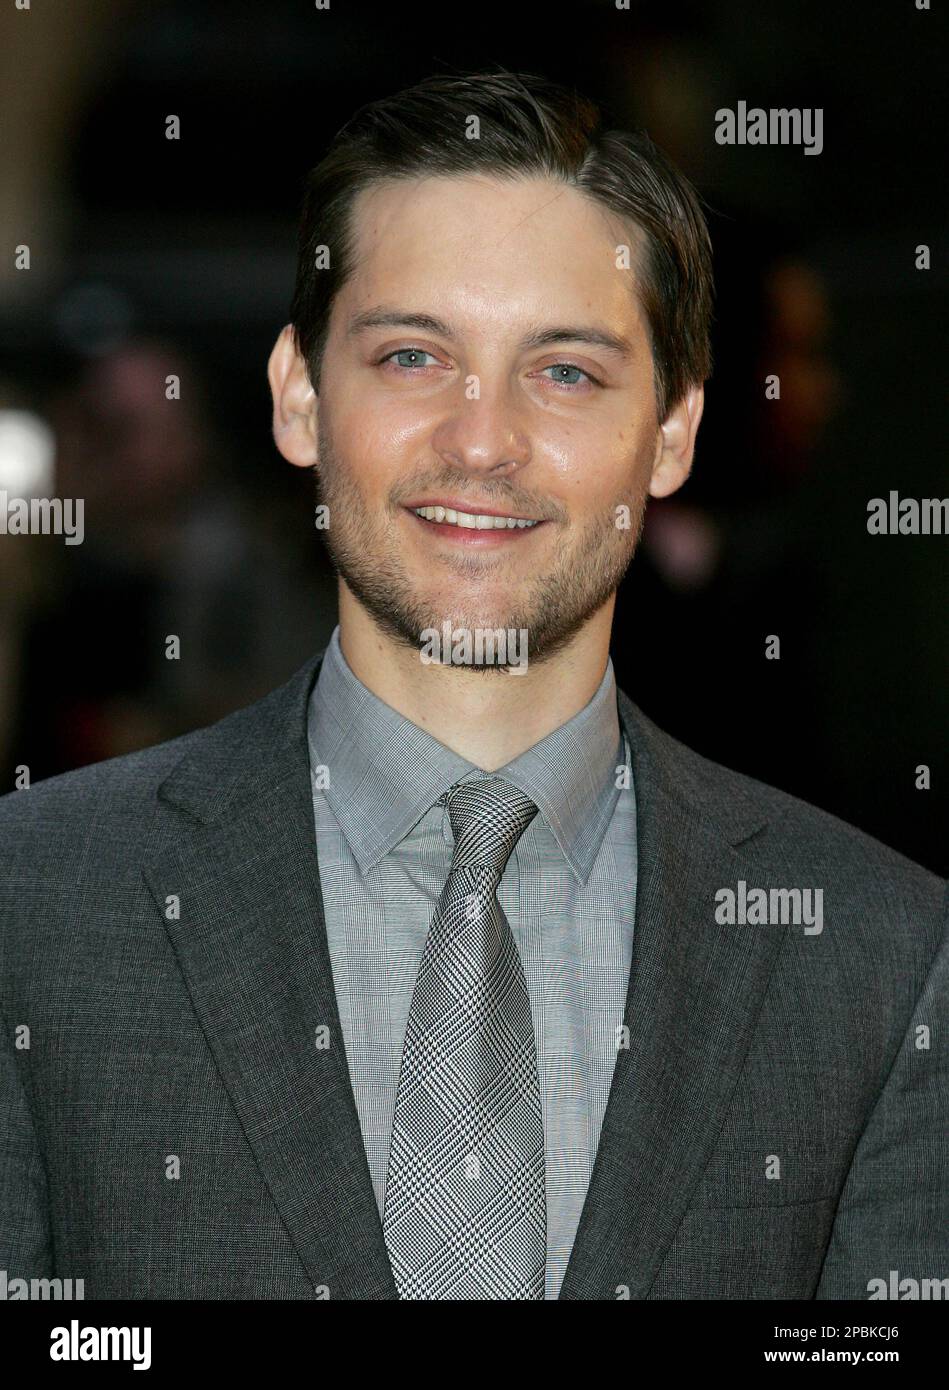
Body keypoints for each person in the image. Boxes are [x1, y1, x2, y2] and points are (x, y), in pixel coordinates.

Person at [1, 70, 945, 1302]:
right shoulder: (33, 908)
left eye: (563, 372)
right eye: (410, 354)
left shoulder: (880, 956)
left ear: (671, 432)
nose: (481, 438)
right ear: (299, 397)